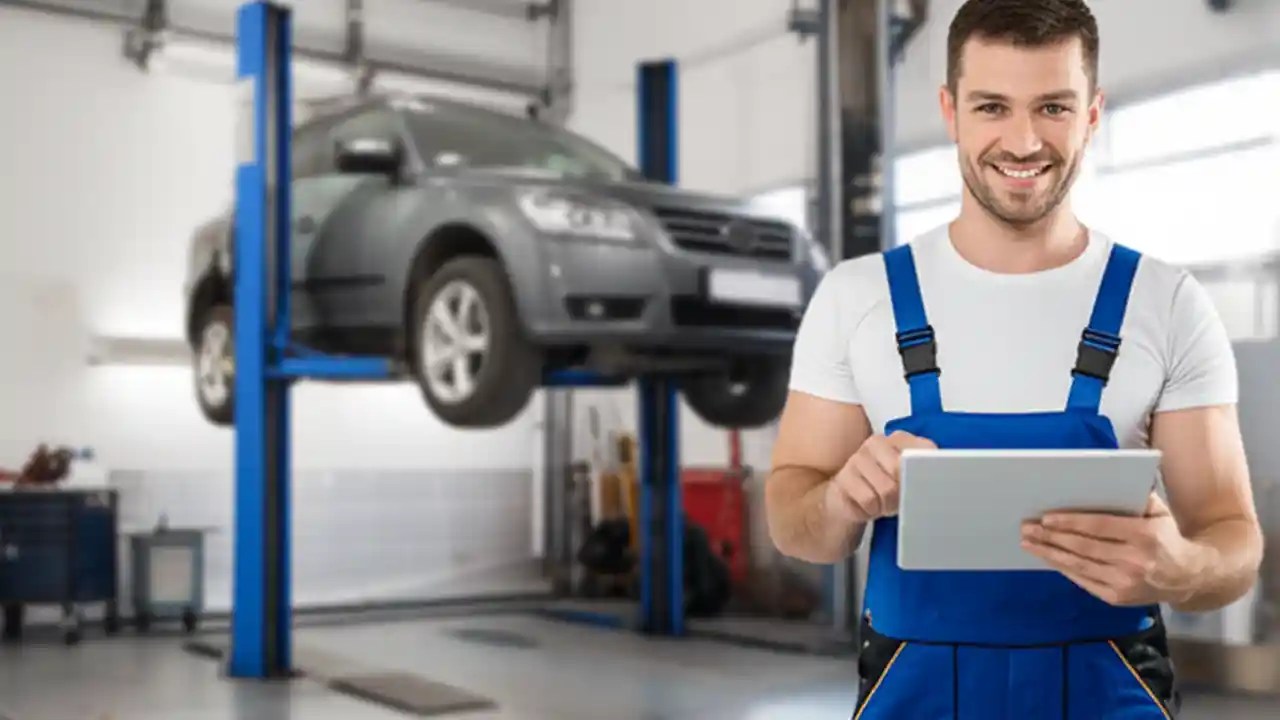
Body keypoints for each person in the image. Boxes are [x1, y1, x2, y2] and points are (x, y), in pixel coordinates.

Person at [764, 0, 1265, 718]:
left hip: (1108, 693)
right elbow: (792, 521)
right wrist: (841, 498)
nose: (1023, 141)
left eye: (1053, 107)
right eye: (992, 106)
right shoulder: (857, 298)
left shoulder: (1167, 303)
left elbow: (1233, 539)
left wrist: (1184, 568)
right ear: (951, 111)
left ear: (1092, 114)